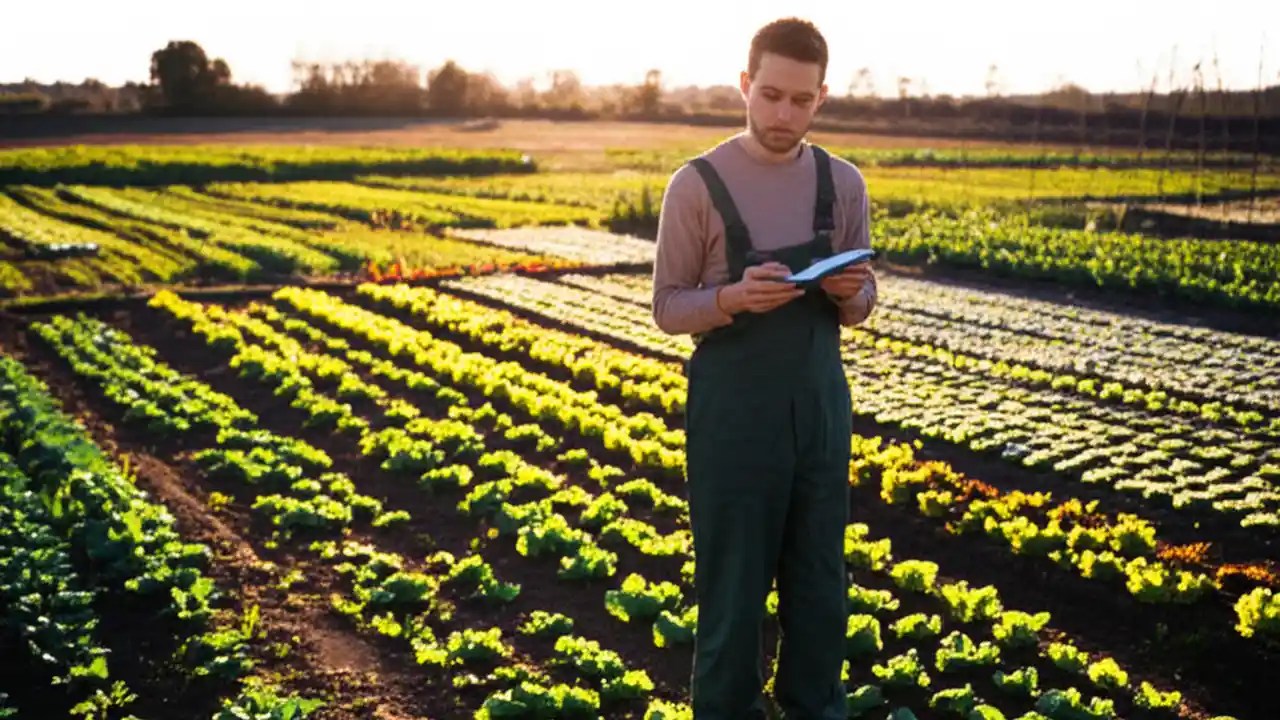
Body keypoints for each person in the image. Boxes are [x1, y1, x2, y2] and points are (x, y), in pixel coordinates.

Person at [650, 16, 878, 720]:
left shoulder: (842, 184)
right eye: (771, 95)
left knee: (818, 578)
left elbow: (866, 297)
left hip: (819, 405)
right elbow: (666, 306)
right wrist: (733, 297)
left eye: (801, 100)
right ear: (745, 86)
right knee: (735, 583)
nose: (785, 114)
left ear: (822, 98)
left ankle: (815, 707)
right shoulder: (696, 185)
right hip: (733, 411)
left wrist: (849, 293)